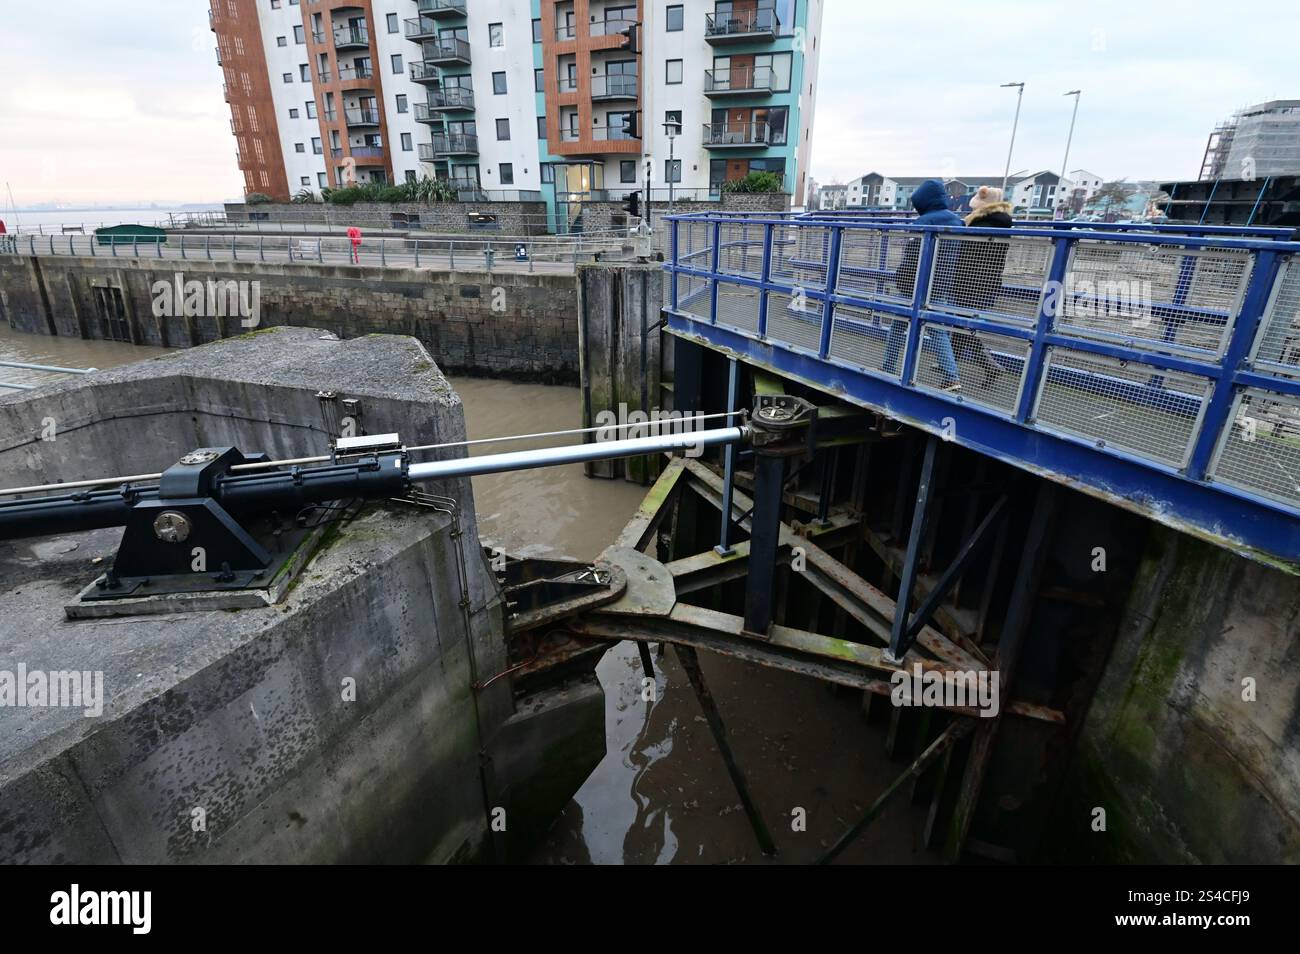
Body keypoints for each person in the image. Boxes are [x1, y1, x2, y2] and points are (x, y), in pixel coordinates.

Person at [884, 179, 962, 391]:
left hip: (914, 288)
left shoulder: (922, 223)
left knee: (897, 327)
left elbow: (911, 259)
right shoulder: (958, 221)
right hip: (942, 285)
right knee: (936, 330)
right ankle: (951, 374)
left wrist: (902, 279)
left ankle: (888, 367)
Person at [947, 185, 1015, 387]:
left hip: (971, 281)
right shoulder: (1002, 222)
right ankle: (952, 364)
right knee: (963, 323)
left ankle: (990, 366)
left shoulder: (983, 223)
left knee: (964, 324)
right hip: (986, 281)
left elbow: (968, 254)